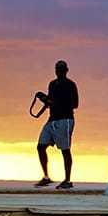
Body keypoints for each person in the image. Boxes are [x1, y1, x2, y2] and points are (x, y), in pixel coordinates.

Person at [35, 59, 79, 189]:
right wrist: (43, 98)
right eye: (58, 69)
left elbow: (75, 104)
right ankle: (46, 177)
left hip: (65, 120)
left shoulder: (70, 85)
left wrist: (55, 102)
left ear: (66, 71)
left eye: (62, 69)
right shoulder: (52, 84)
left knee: (65, 150)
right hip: (52, 120)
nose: (59, 71)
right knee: (40, 146)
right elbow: (50, 102)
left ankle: (67, 180)